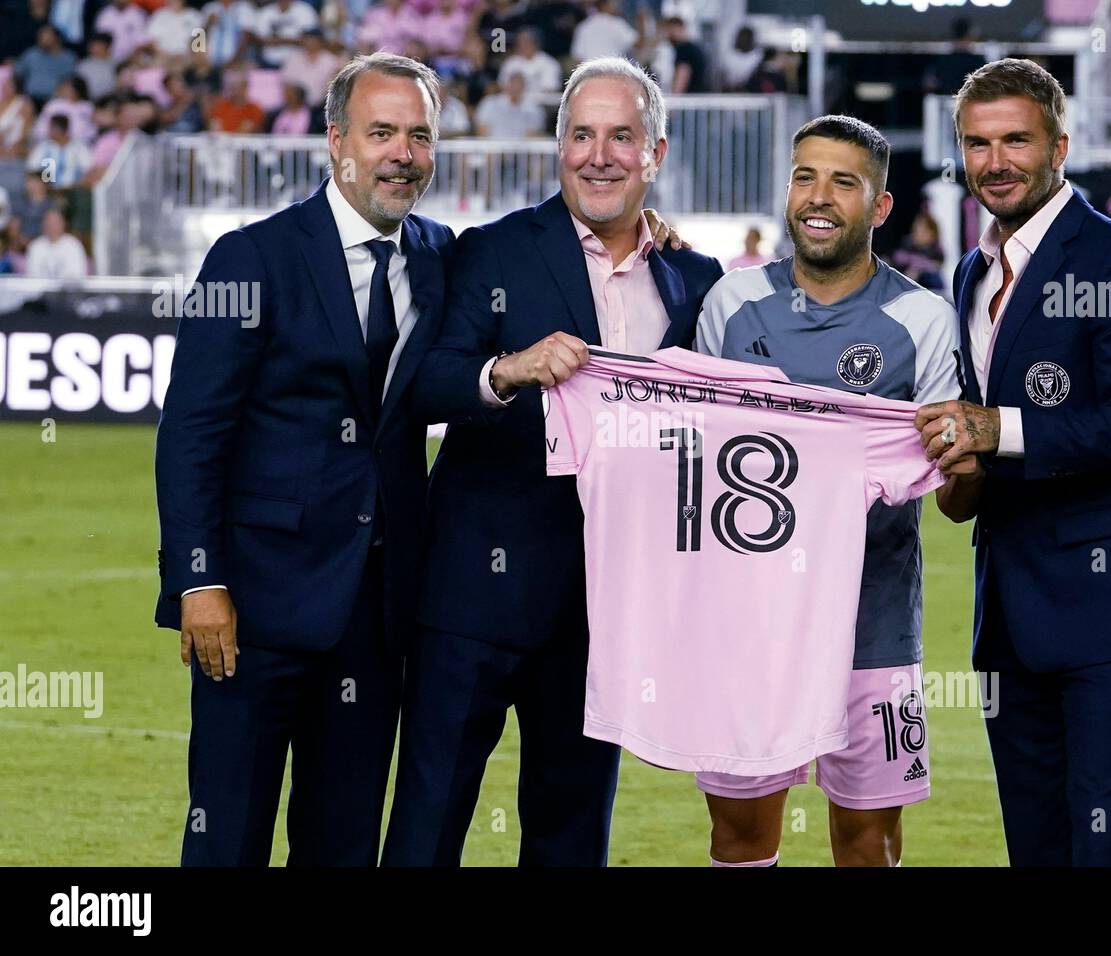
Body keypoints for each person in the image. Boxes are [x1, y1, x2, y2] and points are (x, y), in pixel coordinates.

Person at [382, 56, 722, 867]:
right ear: (557, 146)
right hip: (473, 598)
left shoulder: (697, 281)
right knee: (427, 823)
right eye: (580, 134)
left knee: (572, 834)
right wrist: (506, 371)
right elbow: (421, 385)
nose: (598, 155)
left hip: (607, 609)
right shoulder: (491, 252)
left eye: (621, 136)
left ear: (656, 153)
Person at [155, 51, 455, 866]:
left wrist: (645, 231)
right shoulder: (250, 257)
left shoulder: (441, 256)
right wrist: (197, 580)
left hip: (378, 612)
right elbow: (191, 433)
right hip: (253, 606)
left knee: (343, 841)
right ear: (335, 142)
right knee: (229, 834)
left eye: (420, 136)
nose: (403, 152)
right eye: (383, 131)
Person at [915, 58, 1111, 866]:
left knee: (1109, 858)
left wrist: (994, 428)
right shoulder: (972, 273)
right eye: (976, 143)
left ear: (1061, 146)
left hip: (1110, 617)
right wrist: (958, 467)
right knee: (1035, 851)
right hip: (1007, 618)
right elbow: (977, 452)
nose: (995, 162)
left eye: (1015, 140)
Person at [693, 115, 959, 868]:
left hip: (874, 630)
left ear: (879, 207)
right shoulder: (731, 305)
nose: (819, 196)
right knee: (740, 837)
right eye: (806, 176)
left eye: (844, 182)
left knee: (868, 843)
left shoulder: (923, 320)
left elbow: (954, 490)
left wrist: (972, 459)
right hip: (750, 631)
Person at [24, 206, 87, 278]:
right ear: (43, 224)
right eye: (48, 222)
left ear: (63, 224)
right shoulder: (35, 246)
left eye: (55, 223)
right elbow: (31, 276)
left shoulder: (74, 245)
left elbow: (78, 276)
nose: (51, 226)